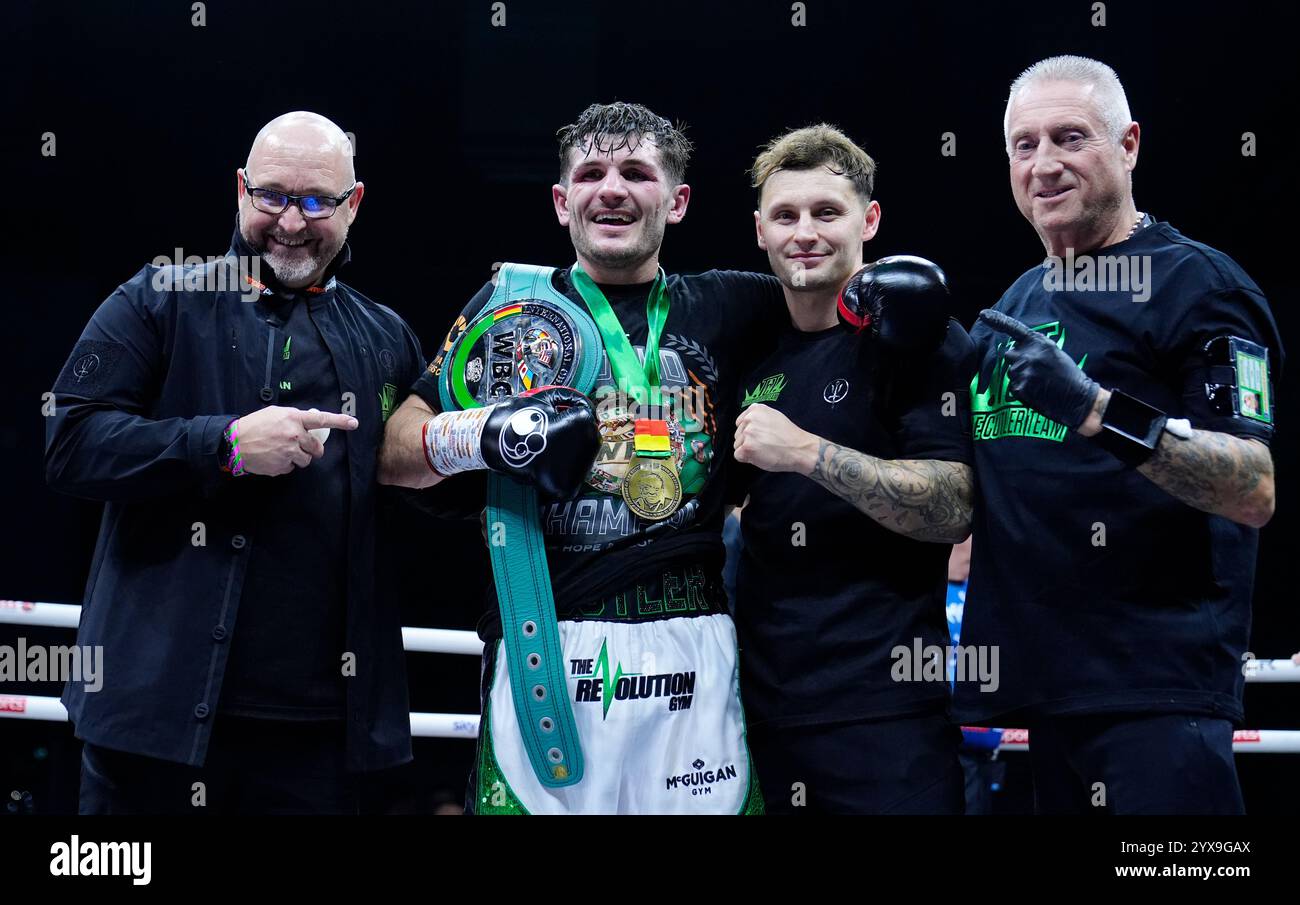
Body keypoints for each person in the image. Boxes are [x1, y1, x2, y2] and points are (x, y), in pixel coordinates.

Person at [378, 102, 787, 814]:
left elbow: (837, 304)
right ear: (563, 202)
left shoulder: (734, 306)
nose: (613, 188)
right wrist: (485, 434)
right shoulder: (508, 310)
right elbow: (393, 447)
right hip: (544, 638)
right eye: (591, 173)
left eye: (637, 172)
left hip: (690, 643)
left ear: (678, 201)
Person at [45, 112, 426, 814]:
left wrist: (484, 447)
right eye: (272, 195)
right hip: (153, 729)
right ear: (240, 189)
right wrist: (220, 444)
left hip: (319, 741)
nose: (290, 221)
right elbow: (69, 441)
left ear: (355, 205)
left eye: (316, 201)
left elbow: (422, 492)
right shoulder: (159, 296)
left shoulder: (387, 337)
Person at [956, 56, 1282, 814]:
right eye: (1024, 144)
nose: (1043, 165)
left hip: (1158, 693)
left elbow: (1253, 486)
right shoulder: (1013, 303)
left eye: (1070, 138)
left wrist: (1099, 408)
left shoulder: (1200, 284)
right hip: (1044, 694)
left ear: (1128, 144)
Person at [727, 125, 976, 813]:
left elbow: (953, 507)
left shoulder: (913, 339)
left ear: (869, 220)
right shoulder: (753, 353)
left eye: (826, 212)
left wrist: (805, 452)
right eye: (785, 215)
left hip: (885, 717)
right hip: (758, 713)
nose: (804, 232)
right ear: (759, 231)